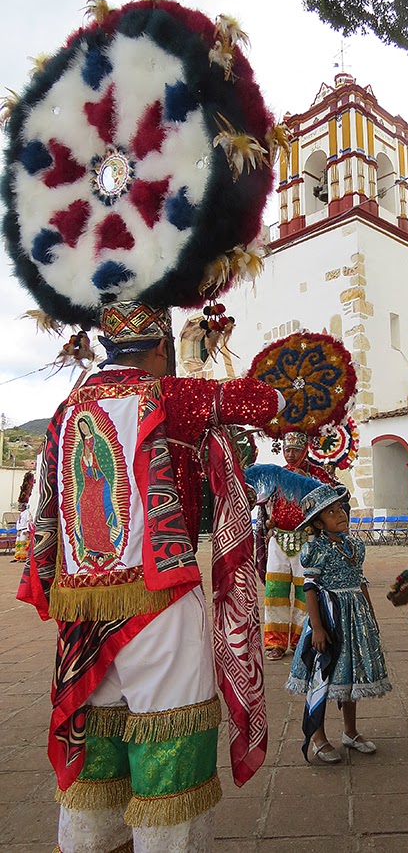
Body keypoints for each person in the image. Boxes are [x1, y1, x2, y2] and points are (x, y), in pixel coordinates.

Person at [17, 301, 282, 853]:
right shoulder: (169, 396)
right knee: (170, 743)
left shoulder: (68, 409)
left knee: (100, 744)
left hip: (82, 613)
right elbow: (264, 402)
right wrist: (289, 388)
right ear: (161, 347)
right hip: (159, 601)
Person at [286, 484, 391, 762]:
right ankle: (318, 736)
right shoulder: (316, 549)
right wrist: (317, 628)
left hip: (355, 619)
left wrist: (371, 617)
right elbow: (309, 588)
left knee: (351, 673)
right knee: (324, 673)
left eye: (340, 509)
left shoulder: (354, 545)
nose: (340, 514)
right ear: (319, 523)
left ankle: (350, 731)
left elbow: (360, 581)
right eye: (331, 512)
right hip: (330, 619)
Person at [263, 431, 335, 661]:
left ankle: (301, 639)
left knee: (307, 593)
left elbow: (334, 499)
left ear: (305, 449)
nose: (290, 454)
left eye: (295, 449)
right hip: (279, 541)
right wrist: (269, 521)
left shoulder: (318, 475)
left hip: (306, 540)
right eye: (286, 449)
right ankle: (275, 642)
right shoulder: (278, 474)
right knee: (274, 591)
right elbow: (266, 504)